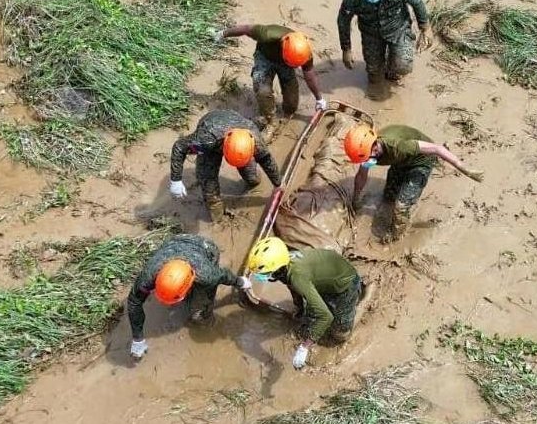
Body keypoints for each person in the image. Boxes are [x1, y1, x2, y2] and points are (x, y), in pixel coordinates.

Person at [344, 123, 483, 242]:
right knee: (388, 196)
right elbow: (362, 175)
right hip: (400, 162)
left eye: (370, 155)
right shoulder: (366, 153)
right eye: (365, 159)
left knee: (401, 206)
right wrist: (355, 199)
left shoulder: (398, 146)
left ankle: (396, 237)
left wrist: (464, 169)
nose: (369, 160)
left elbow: (437, 149)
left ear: (374, 145)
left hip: (421, 162)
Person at [126, 233, 252, 360]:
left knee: (199, 315)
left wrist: (240, 282)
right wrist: (138, 339)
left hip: (206, 248)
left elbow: (223, 276)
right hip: (176, 241)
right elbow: (134, 301)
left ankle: (207, 322)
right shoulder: (149, 274)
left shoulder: (207, 275)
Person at [246, 237, 363, 370]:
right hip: (327, 279)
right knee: (312, 315)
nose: (262, 277)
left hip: (346, 285)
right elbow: (291, 285)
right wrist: (299, 308)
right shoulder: (285, 263)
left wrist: (304, 347)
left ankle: (359, 305)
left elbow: (326, 316)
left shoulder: (296, 276)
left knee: (339, 333)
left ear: (276, 269)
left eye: (264, 274)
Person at [169, 109, 281, 222]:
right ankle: (217, 217)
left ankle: (248, 169)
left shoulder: (254, 140)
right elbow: (179, 147)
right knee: (209, 187)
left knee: (253, 179)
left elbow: (267, 160)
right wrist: (176, 179)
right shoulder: (206, 141)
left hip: (234, 122)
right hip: (212, 132)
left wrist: (278, 184)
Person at [338, 0, 431, 85]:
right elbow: (343, 20)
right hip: (371, 35)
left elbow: (416, 1)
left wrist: (424, 28)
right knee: (374, 74)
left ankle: (392, 70)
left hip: (398, 30)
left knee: (402, 65)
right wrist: (346, 49)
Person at [218, 24, 325, 132]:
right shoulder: (268, 34)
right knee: (262, 91)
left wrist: (319, 99)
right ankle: (269, 120)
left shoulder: (304, 52)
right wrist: (222, 34)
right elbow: (246, 29)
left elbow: (309, 75)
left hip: (286, 63)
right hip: (265, 56)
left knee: (292, 103)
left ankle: (287, 114)